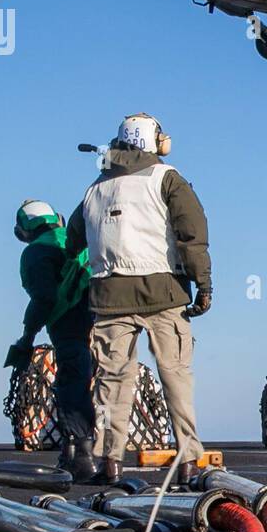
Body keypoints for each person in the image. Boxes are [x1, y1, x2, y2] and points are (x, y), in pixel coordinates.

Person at [67, 113, 212, 485]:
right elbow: (192, 235)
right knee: (175, 376)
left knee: (113, 381)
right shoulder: (167, 179)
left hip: (108, 297)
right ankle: (187, 462)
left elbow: (74, 239)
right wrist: (204, 285)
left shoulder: (95, 188)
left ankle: (110, 462)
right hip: (164, 294)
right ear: (156, 141)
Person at [5, 199, 98, 481]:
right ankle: (72, 451)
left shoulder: (36, 252)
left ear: (24, 230)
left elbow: (44, 298)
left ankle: (82, 455)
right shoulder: (73, 238)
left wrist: (27, 337)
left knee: (72, 382)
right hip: (97, 314)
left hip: (69, 320)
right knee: (86, 378)